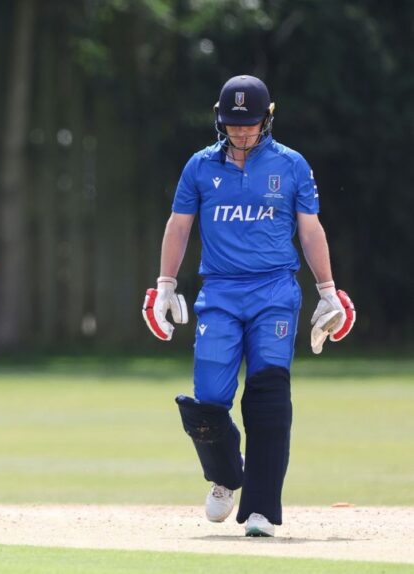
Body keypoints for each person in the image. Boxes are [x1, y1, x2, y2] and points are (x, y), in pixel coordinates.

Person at [142, 75, 355, 537]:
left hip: (275, 291)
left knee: (268, 396)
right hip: (218, 293)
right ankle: (225, 477)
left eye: (250, 124)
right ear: (220, 120)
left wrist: (326, 289)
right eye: (233, 124)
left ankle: (261, 509)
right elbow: (179, 226)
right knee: (209, 401)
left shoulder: (292, 165)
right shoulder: (199, 166)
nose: (241, 133)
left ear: (267, 119)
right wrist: (164, 284)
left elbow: (311, 229)